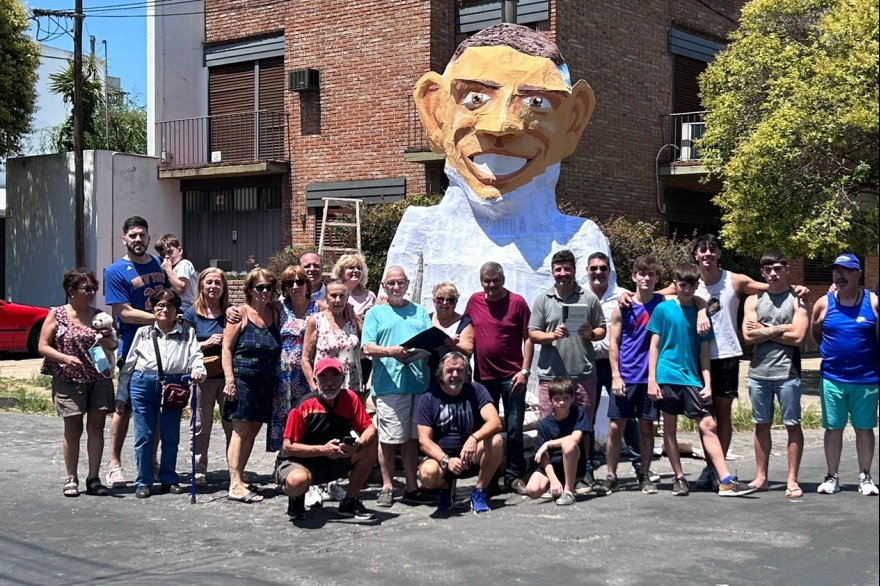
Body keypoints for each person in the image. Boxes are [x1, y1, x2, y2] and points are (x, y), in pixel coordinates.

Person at [385, 23, 613, 312]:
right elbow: (394, 317)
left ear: (573, 121)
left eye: (536, 102)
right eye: (475, 99)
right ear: (435, 112)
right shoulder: (420, 228)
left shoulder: (581, 239)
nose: (501, 125)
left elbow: (599, 326)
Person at [647, 263, 757, 497]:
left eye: (691, 285)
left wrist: (707, 383)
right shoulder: (663, 310)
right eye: (682, 284)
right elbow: (654, 346)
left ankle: (725, 480)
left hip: (692, 378)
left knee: (709, 424)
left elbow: (704, 353)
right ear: (675, 284)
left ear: (697, 286)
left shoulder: (702, 313)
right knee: (669, 428)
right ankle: (679, 478)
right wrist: (652, 380)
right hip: (666, 376)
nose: (686, 289)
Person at [529, 249, 605, 494]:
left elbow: (602, 329)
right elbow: (532, 333)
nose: (562, 274)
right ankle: (552, 473)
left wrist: (591, 334)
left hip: (582, 373)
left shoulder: (588, 298)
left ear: (574, 270)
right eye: (558, 269)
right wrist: (552, 335)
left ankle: (585, 472)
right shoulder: (543, 300)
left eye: (567, 269)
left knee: (584, 427)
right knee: (548, 424)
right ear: (552, 271)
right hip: (551, 375)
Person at [117, 289, 206, 498]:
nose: (164, 310)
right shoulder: (143, 333)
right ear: (153, 308)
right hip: (143, 384)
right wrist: (121, 395)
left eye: (170, 306)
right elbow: (128, 365)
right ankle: (144, 481)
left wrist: (198, 371)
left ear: (177, 311)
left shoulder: (187, 333)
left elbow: (196, 357)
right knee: (144, 436)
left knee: (170, 435)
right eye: (160, 305)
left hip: (174, 386)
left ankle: (168, 478)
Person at [38, 268, 118, 497]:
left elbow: (113, 346)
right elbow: (43, 345)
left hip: (98, 377)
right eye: (87, 288)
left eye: (95, 288)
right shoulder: (57, 314)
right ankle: (70, 477)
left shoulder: (99, 316)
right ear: (71, 291)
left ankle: (93, 477)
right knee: (73, 429)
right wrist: (64, 358)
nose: (92, 292)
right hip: (69, 379)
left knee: (96, 427)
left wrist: (107, 338)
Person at [362, 266, 434, 507]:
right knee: (389, 438)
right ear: (383, 286)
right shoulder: (376, 314)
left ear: (407, 284)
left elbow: (429, 341)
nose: (396, 287)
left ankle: (412, 487)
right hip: (389, 385)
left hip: (418, 384)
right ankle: (388, 485)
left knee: (412, 439)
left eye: (400, 283)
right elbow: (367, 347)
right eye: (391, 283)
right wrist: (391, 352)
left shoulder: (420, 312)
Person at [103, 216, 167, 489]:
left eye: (142, 235)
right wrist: (161, 318)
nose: (138, 240)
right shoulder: (115, 271)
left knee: (157, 407)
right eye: (133, 235)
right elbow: (125, 313)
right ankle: (114, 464)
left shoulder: (157, 266)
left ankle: (149, 462)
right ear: (124, 239)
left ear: (149, 238)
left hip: (161, 346)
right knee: (124, 407)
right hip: (131, 349)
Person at [741, 251, 809, 498]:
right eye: (768, 269)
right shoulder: (754, 300)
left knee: (792, 425)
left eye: (778, 268)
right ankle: (761, 477)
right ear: (762, 272)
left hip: (787, 373)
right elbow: (748, 336)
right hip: (758, 373)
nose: (773, 273)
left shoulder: (798, 298)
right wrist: (783, 328)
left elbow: (799, 337)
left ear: (787, 269)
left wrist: (765, 329)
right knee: (761, 425)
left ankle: (792, 480)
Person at [275, 357, 378, 521]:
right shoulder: (303, 406)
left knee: (370, 447)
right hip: (299, 461)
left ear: (343, 379)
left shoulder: (350, 398)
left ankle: (349, 502)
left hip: (332, 459)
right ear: (315, 380)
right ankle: (297, 497)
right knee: (297, 481)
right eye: (324, 377)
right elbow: (288, 447)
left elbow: (370, 429)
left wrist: (357, 445)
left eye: (335, 377)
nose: (329, 383)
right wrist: (323, 449)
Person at [810, 253, 879, 496]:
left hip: (867, 379)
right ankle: (832, 477)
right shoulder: (823, 303)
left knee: (864, 429)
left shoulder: (873, 302)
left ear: (858, 273)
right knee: (833, 429)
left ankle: (866, 477)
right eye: (836, 271)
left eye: (846, 270)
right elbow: (816, 333)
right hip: (832, 378)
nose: (840, 275)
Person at [463, 261, 533, 495]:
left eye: (496, 280)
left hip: (512, 377)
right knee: (487, 429)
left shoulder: (517, 302)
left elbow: (529, 337)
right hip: (483, 377)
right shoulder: (474, 301)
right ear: (481, 281)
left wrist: (525, 371)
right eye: (487, 281)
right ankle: (489, 477)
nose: (491, 285)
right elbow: (462, 326)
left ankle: (513, 476)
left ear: (503, 280)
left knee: (514, 428)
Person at [586, 251, 649, 493]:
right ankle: (588, 470)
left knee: (626, 418)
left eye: (603, 268)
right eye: (594, 268)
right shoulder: (580, 296)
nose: (599, 272)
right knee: (587, 420)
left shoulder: (623, 296)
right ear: (588, 271)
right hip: (588, 365)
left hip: (617, 366)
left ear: (609, 270)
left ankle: (639, 468)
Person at [415, 352, 503, 514]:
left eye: (460, 370)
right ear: (441, 373)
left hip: (471, 455)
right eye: (449, 371)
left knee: (496, 440)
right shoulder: (428, 397)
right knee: (427, 473)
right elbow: (424, 441)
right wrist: (446, 460)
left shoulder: (476, 390)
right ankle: (445, 488)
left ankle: (479, 491)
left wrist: (474, 438)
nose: (455, 375)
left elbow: (495, 422)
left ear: (466, 372)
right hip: (442, 458)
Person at [606, 256, 665, 495]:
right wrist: (615, 375)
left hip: (649, 377)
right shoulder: (623, 306)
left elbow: (689, 291)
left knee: (647, 428)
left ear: (657, 278)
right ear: (634, 277)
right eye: (642, 274)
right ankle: (611, 475)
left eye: (651, 274)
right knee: (614, 427)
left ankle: (644, 473)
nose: (646, 278)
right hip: (627, 375)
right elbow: (613, 343)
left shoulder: (662, 303)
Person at [222, 268, 281, 503]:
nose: (265, 292)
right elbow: (226, 348)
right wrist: (230, 380)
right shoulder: (240, 315)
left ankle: (241, 477)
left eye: (269, 287)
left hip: (265, 383)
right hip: (242, 380)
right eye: (260, 287)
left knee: (253, 430)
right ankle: (234, 483)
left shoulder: (274, 313)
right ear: (249, 290)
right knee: (240, 430)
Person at [181, 268, 233, 486]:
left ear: (224, 288)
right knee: (201, 424)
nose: (213, 287)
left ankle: (235, 469)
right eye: (209, 282)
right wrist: (207, 343)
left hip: (227, 376)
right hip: (202, 376)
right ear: (201, 285)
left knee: (231, 424)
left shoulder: (230, 312)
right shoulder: (191, 314)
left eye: (218, 283)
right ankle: (198, 468)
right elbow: (183, 346)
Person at [274, 265, 320, 453]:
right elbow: (253, 307)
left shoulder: (318, 307)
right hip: (284, 375)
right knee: (286, 416)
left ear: (307, 285)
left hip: (308, 371)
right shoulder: (279, 307)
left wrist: (349, 307)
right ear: (284, 288)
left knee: (308, 415)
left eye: (300, 281)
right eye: (289, 283)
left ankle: (310, 456)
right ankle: (285, 459)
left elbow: (341, 310)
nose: (295, 286)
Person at [526, 377, 591, 506]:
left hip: (573, 461)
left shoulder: (578, 413)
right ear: (550, 401)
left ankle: (568, 491)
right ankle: (557, 485)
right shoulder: (545, 424)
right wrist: (553, 479)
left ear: (572, 399)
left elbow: (576, 438)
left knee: (568, 444)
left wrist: (549, 443)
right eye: (557, 399)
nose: (562, 402)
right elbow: (544, 456)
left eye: (566, 398)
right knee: (532, 490)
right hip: (554, 465)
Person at [302, 278, 363, 396]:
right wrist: (313, 385)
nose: (338, 300)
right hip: (325, 387)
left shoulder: (352, 319)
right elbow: (305, 359)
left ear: (347, 297)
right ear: (326, 297)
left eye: (342, 296)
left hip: (352, 386)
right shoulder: (316, 320)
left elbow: (365, 343)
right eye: (333, 296)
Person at [332, 253, 377, 388]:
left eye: (359, 268)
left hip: (361, 356)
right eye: (351, 267)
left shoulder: (370, 296)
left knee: (358, 393)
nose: (356, 271)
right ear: (341, 271)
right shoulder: (334, 293)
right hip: (337, 352)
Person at [427, 281, 474, 386]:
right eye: (440, 299)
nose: (445, 303)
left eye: (450, 300)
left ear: (456, 303)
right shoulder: (425, 320)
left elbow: (468, 350)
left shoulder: (464, 322)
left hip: (456, 378)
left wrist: (453, 345)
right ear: (434, 301)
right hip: (429, 376)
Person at [154, 233, 198, 311]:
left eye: (170, 252)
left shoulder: (184, 264)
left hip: (186, 308)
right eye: (163, 255)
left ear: (180, 250)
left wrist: (168, 270)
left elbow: (180, 287)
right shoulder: (173, 269)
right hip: (175, 306)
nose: (167, 256)